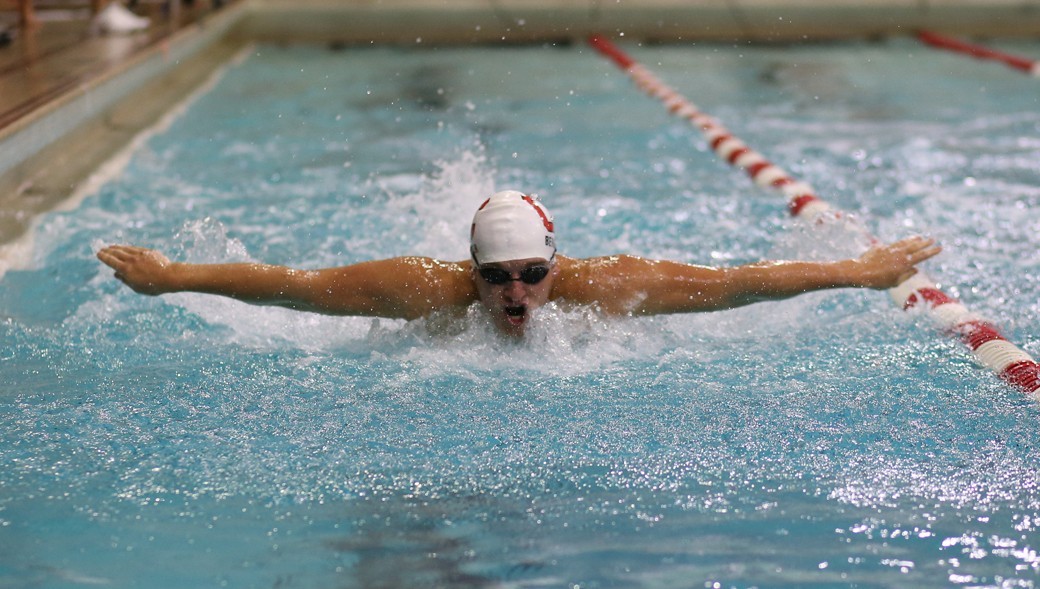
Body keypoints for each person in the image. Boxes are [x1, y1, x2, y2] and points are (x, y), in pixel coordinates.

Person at [97, 190, 941, 337]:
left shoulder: (605, 287)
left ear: (554, 264)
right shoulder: (418, 292)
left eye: (530, 276)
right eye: (495, 277)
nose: (513, 293)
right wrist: (172, 277)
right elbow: (295, 287)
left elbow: (735, 283)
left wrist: (860, 271)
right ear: (467, 271)